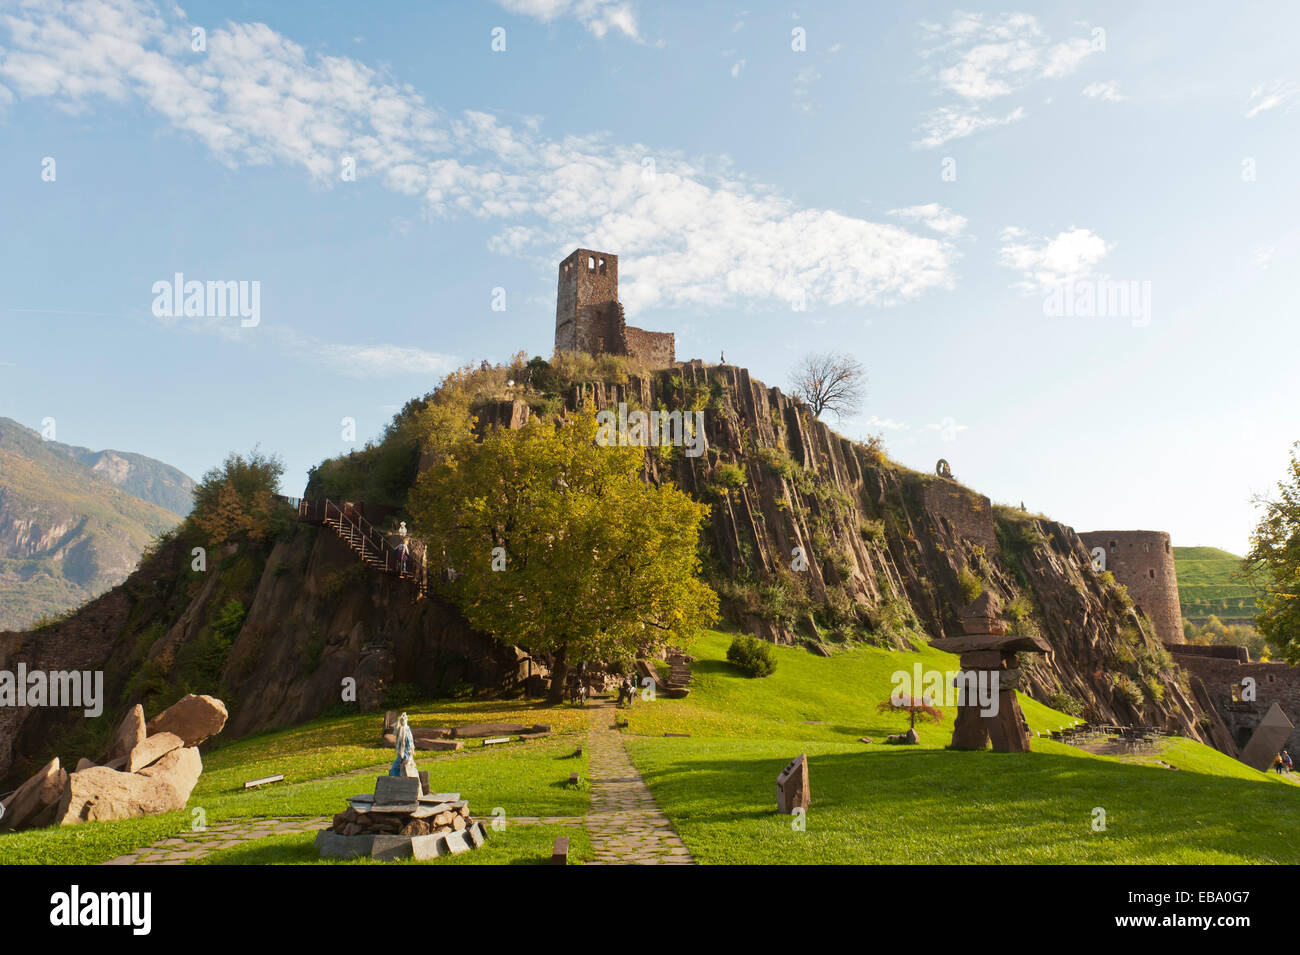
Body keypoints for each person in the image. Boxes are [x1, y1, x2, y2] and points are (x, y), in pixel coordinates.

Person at [389, 712, 417, 778]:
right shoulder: (405, 730)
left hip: (405, 755)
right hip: (403, 754)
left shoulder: (404, 731)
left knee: (397, 767)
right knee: (397, 767)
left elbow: (408, 744)